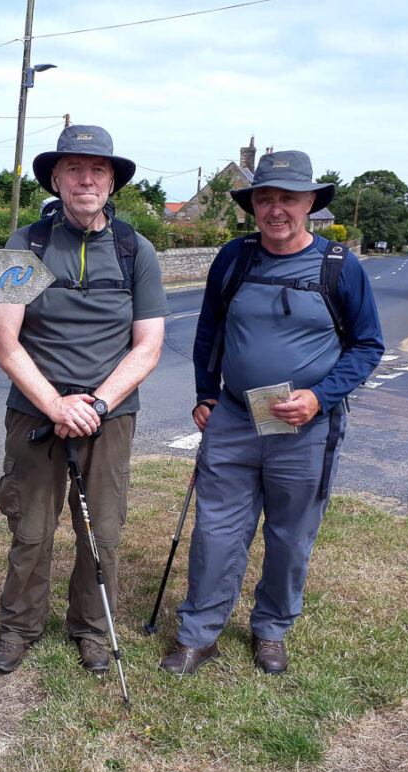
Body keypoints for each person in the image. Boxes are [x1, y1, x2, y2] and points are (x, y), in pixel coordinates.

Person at [160, 150, 384, 677]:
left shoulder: (339, 266)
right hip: (235, 419)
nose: (276, 208)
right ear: (252, 205)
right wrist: (205, 395)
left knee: (290, 535)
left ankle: (271, 630)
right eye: (265, 197)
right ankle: (198, 635)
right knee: (215, 531)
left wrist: (320, 398)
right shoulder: (234, 258)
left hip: (303, 425)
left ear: (309, 202)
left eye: (288, 197)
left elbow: (368, 346)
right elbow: (209, 332)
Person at [0, 125, 168, 676]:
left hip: (109, 415)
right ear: (57, 179)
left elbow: (149, 344)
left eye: (97, 170)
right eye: (73, 169)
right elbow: (3, 337)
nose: (86, 179)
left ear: (112, 181)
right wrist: (56, 405)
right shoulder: (27, 244)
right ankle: (19, 627)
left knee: (102, 530)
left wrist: (98, 405)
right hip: (36, 410)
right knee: (32, 528)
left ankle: (90, 628)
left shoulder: (137, 249)